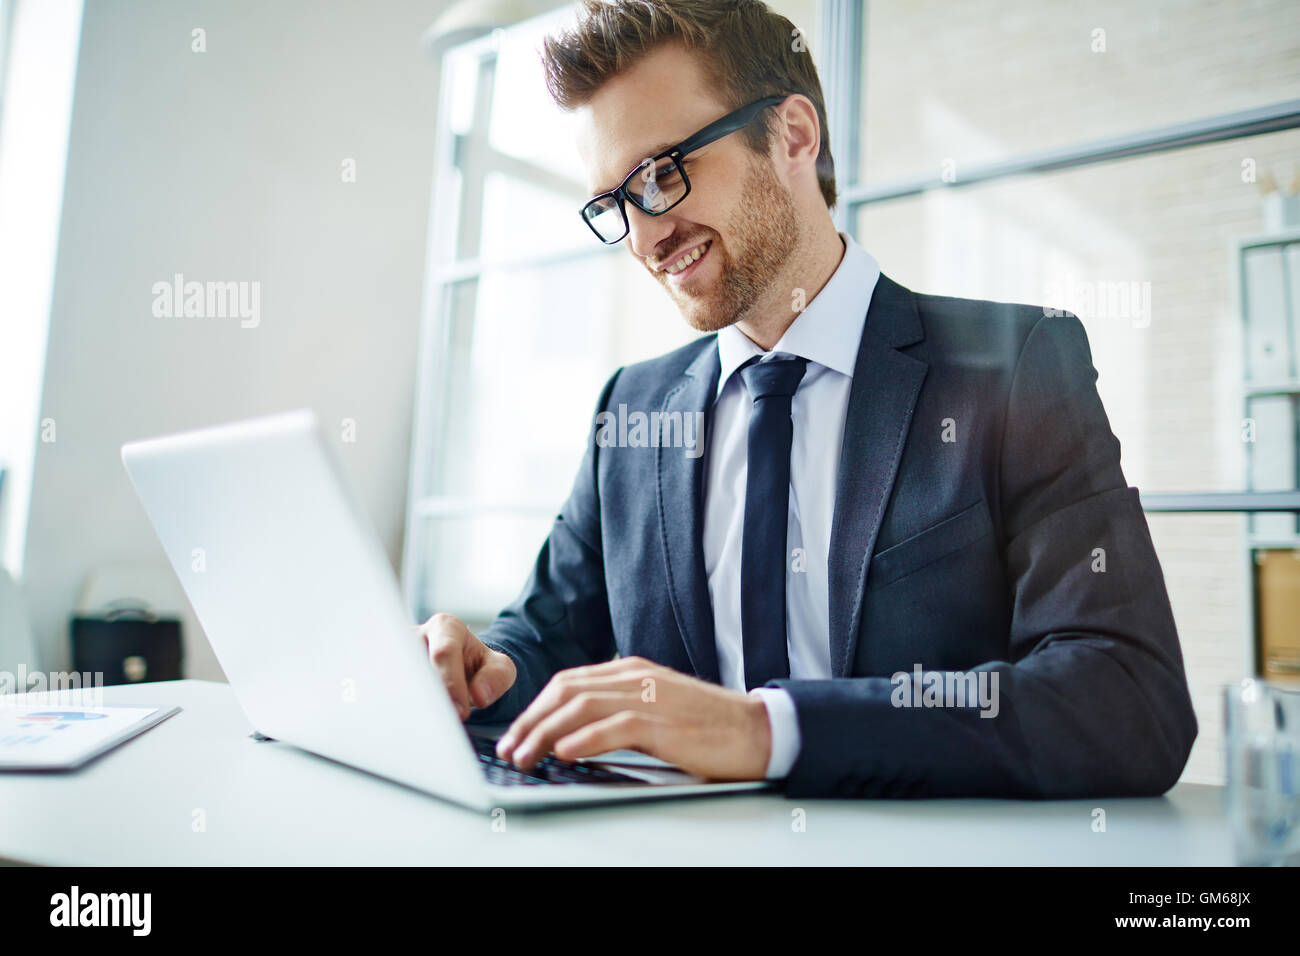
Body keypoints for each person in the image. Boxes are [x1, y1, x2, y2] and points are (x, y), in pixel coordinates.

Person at [419, 0, 1197, 798]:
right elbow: (551, 631)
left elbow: (1128, 695)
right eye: (614, 204)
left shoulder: (1013, 368)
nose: (645, 239)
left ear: (793, 135)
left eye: (660, 174)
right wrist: (486, 670)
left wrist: (764, 730)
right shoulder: (633, 405)